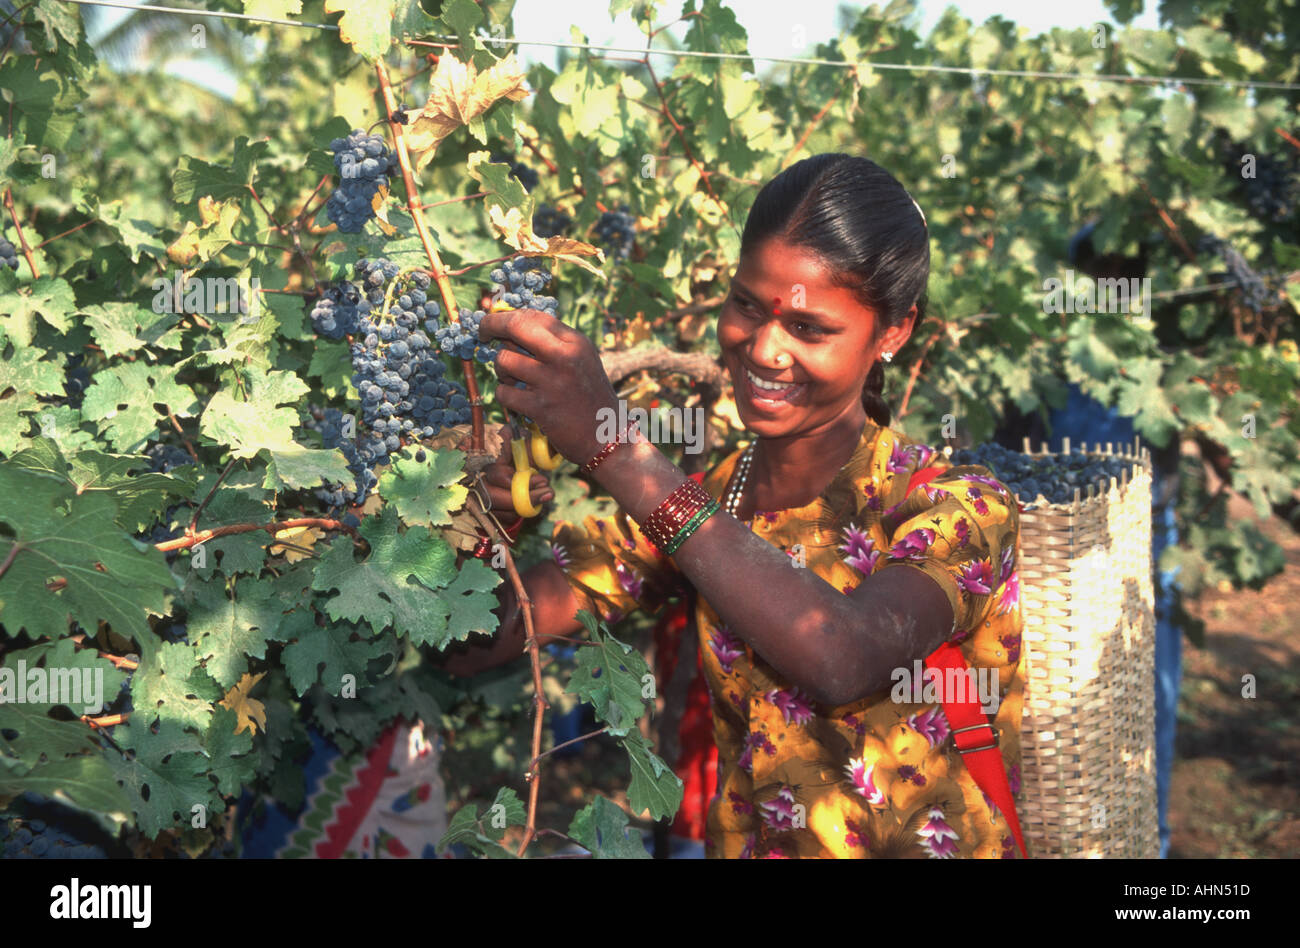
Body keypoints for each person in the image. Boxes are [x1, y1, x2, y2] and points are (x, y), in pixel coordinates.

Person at [444, 153, 1028, 859]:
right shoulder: (709, 503)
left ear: (894, 333)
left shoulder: (957, 507)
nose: (765, 347)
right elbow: (480, 644)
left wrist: (617, 451)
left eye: (809, 329)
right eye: (747, 304)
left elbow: (843, 656)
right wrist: (480, 522)